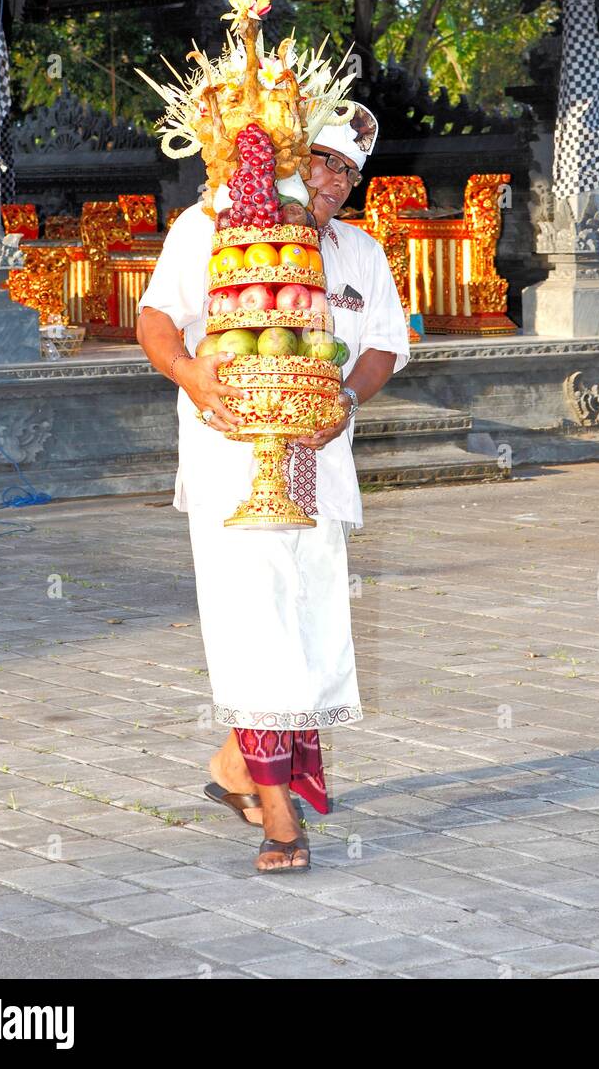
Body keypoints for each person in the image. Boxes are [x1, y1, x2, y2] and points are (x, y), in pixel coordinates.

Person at [136, 106, 410, 872]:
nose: (334, 179)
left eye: (349, 170)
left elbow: (384, 347)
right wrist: (190, 374)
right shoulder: (211, 225)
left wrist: (347, 398)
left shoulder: (359, 251)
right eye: (322, 158)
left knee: (309, 627)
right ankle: (280, 817)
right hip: (232, 461)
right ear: (290, 153)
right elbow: (156, 320)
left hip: (319, 466)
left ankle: (235, 768)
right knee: (257, 626)